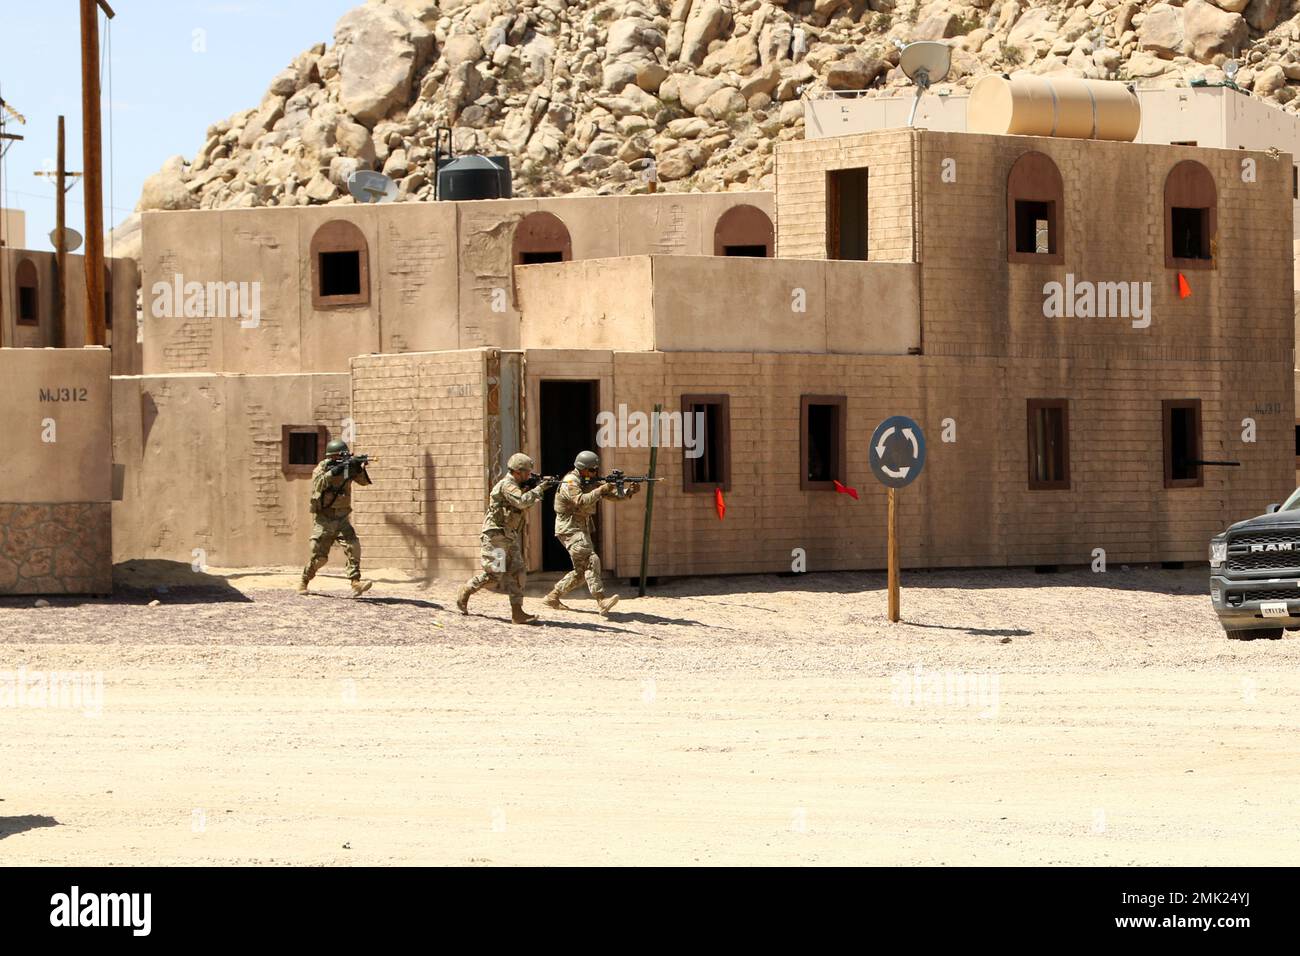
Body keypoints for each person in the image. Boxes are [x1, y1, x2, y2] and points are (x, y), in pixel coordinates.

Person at [458, 452, 557, 624]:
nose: (528, 475)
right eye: (526, 472)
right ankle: (466, 590)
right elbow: (521, 502)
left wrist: (533, 487)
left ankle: (517, 613)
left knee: (518, 572)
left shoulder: (517, 485)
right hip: (495, 535)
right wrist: (539, 489)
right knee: (495, 575)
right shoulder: (507, 485)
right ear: (517, 472)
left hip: (508, 536)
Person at [545, 450, 638, 616]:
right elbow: (580, 501)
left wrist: (628, 491)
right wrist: (602, 488)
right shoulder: (571, 482)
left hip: (580, 527)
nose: (596, 472)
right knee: (591, 560)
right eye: (593, 469)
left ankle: (553, 596)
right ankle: (601, 600)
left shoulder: (587, 480)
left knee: (580, 572)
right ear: (583, 468)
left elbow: (612, 496)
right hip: (570, 528)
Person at [300, 438, 373, 597]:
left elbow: (364, 482)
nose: (342, 460)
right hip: (324, 519)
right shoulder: (322, 467)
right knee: (319, 558)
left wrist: (358, 468)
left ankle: (355, 583)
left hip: (342, 518)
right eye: (339, 457)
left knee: (353, 547)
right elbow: (319, 483)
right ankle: (304, 580)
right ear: (331, 457)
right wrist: (336, 470)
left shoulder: (348, 468)